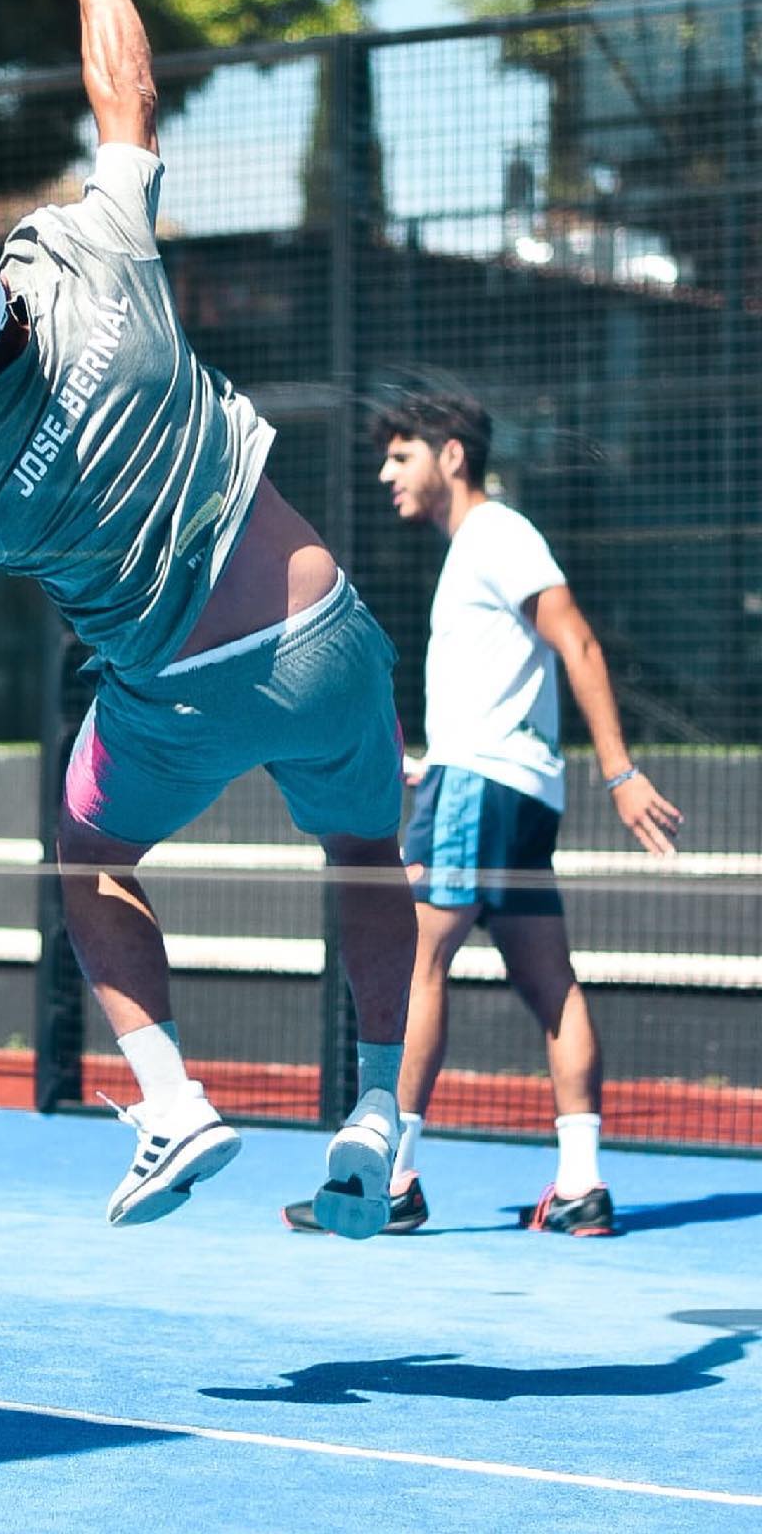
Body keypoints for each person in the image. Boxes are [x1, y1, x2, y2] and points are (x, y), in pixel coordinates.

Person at [0, 0, 417, 1238]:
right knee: (365, 858)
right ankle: (382, 1124)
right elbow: (127, 90)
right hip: (325, 627)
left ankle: (170, 1101)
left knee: (85, 853)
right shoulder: (93, 253)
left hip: (170, 690)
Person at [286, 388, 682, 1238]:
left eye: (402, 455)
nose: (387, 471)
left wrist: (621, 774)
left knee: (415, 959)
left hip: (479, 787)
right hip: (511, 789)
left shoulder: (497, 534)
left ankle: (389, 1177)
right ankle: (582, 1184)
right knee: (550, 983)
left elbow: (575, 639)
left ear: (451, 456)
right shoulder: (479, 549)